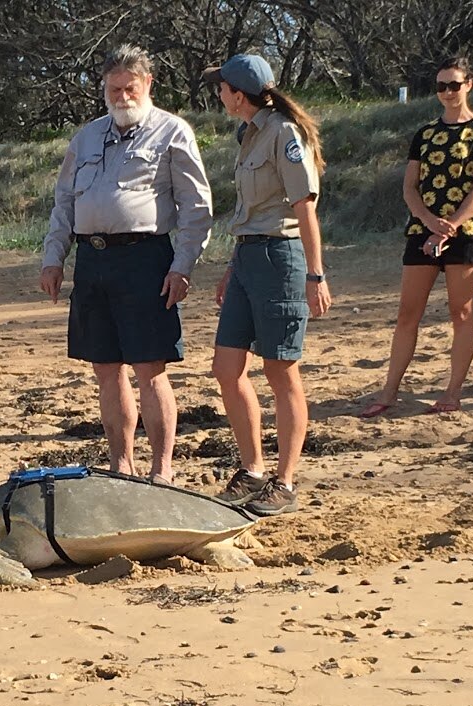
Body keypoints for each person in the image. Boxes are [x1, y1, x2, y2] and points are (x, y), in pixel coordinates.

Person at [39, 43, 213, 485]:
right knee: (105, 368)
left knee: (149, 368)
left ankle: (162, 470)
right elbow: (64, 203)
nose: (121, 97)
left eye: (129, 88)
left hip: (146, 260)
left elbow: (197, 208)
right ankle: (121, 465)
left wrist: (183, 266)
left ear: (148, 84)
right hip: (92, 261)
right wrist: (53, 258)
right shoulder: (86, 137)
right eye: (113, 88)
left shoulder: (173, 132)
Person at [203, 54, 331, 516]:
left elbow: (304, 209)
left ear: (239, 94)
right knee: (226, 367)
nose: (218, 94)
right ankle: (253, 469)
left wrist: (315, 274)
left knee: (280, 372)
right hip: (248, 258)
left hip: (281, 259)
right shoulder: (249, 132)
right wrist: (232, 269)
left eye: (221, 87)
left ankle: (285, 481)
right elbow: (248, 215)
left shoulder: (284, 133)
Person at [360, 57, 473, 418]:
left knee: (460, 311)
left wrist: (451, 224)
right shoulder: (426, 133)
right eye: (441, 86)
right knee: (407, 313)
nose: (447, 92)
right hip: (422, 231)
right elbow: (409, 187)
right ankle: (389, 391)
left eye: (454, 85)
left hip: (466, 234)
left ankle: (452, 393)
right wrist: (429, 221)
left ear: (469, 85)